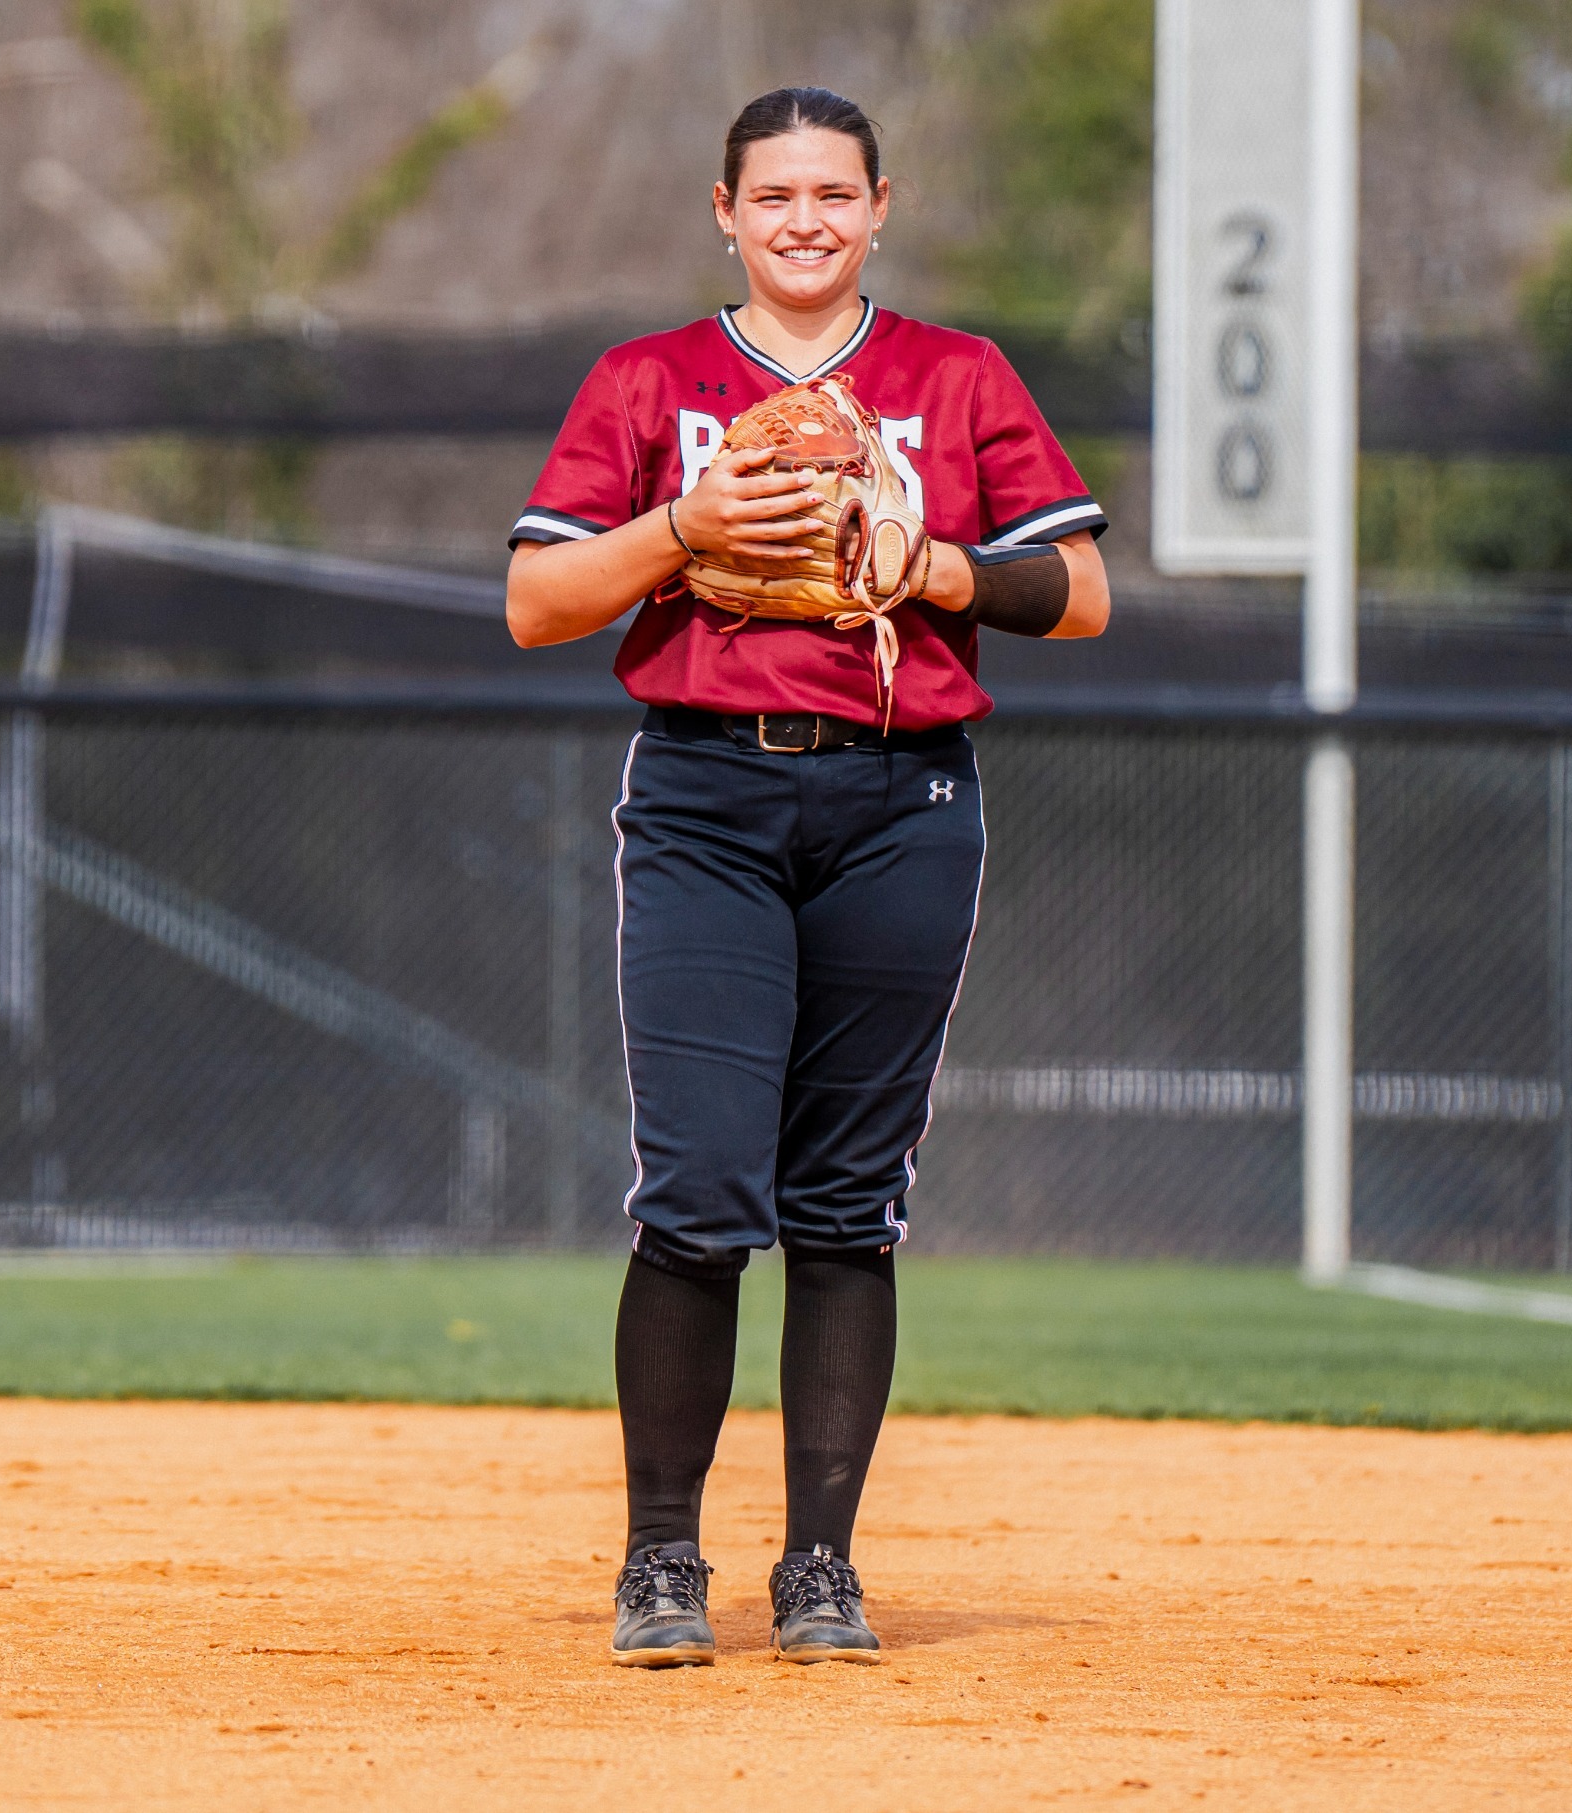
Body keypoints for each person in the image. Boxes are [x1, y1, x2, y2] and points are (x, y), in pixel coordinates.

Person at [506, 85, 1111, 1668]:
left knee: (848, 1202)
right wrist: (679, 526)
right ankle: (659, 1561)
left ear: (881, 206)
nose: (804, 221)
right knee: (700, 1189)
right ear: (724, 212)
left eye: (833, 194)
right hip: (705, 793)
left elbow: (1086, 590)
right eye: (772, 196)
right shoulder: (651, 383)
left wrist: (933, 566)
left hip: (903, 798)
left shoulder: (954, 376)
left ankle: (822, 1567)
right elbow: (536, 600)